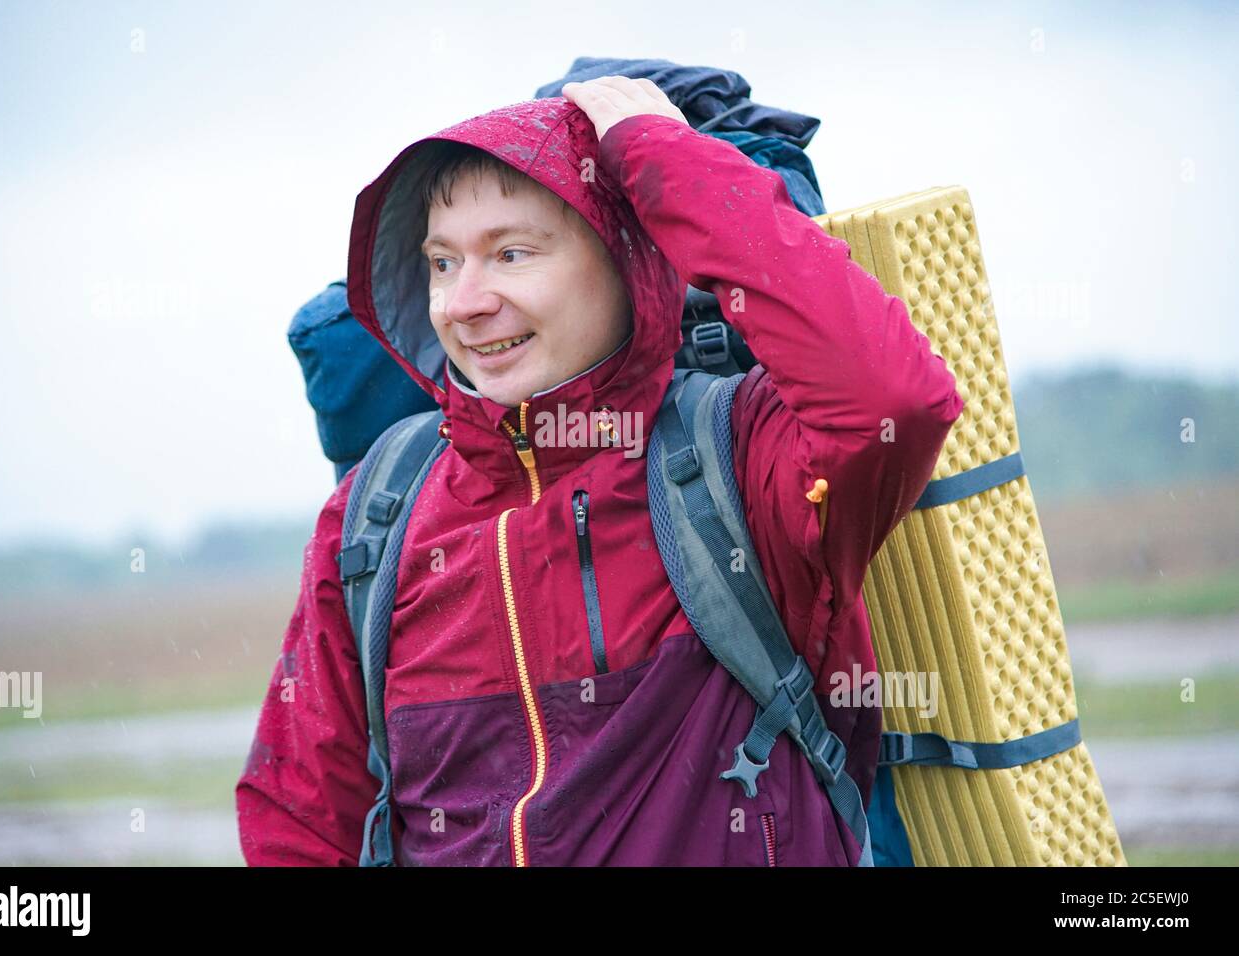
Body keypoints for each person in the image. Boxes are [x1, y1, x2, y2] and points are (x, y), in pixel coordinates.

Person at [236, 76, 964, 866]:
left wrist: (664, 158)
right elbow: (301, 818)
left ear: (625, 261)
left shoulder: (740, 457)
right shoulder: (378, 510)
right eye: (442, 263)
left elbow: (894, 398)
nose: (464, 302)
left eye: (511, 254)